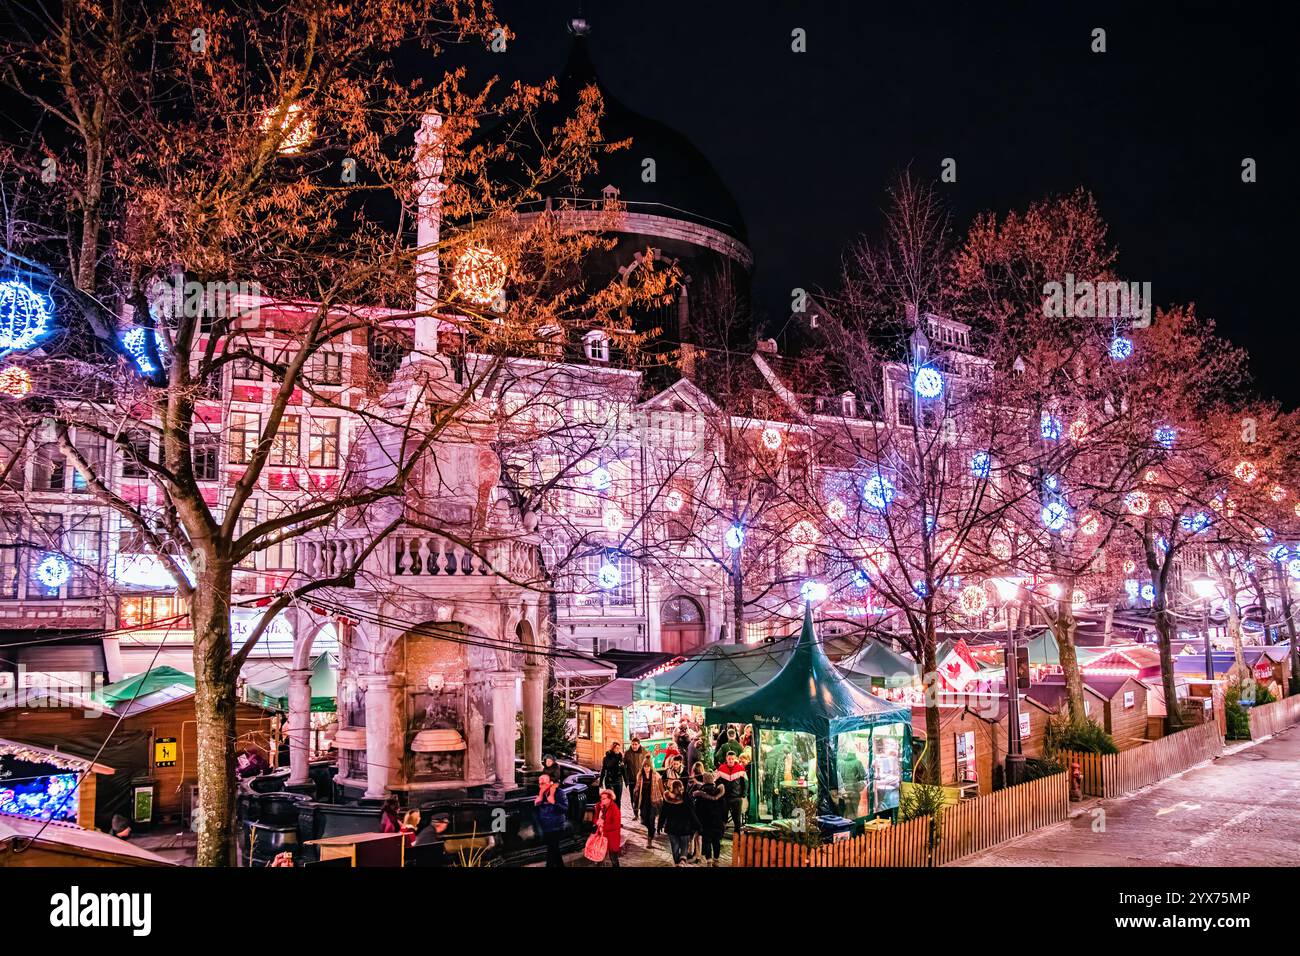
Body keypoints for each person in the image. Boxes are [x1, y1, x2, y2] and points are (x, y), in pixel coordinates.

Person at [659, 779, 699, 866]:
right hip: (684, 827)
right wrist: (698, 825)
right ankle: (682, 861)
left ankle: (677, 862)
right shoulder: (686, 798)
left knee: (675, 847)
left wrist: (660, 825)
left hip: (671, 827)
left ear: (671, 788)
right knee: (684, 845)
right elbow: (692, 812)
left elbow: (663, 813)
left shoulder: (668, 798)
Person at [691, 772, 727, 866]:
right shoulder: (719, 793)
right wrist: (724, 821)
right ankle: (716, 859)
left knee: (706, 841)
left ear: (704, 781)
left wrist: (697, 823)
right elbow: (724, 809)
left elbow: (696, 810)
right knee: (716, 841)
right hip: (717, 822)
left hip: (705, 822)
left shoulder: (700, 795)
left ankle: (709, 860)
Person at [535, 773, 570, 867]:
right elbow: (538, 811)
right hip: (546, 827)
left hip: (557, 827)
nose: (541, 786)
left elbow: (565, 808)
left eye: (544, 783)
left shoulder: (559, 793)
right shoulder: (540, 794)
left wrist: (554, 803)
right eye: (540, 784)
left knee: (551, 850)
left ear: (550, 783)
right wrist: (537, 804)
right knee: (555, 850)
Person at [632, 756, 663, 848]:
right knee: (644, 819)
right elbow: (637, 788)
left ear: (651, 766)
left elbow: (661, 788)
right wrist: (635, 796)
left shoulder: (656, 775)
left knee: (651, 818)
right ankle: (652, 829)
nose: (646, 768)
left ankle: (649, 838)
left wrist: (664, 797)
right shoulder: (640, 775)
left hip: (654, 801)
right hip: (644, 801)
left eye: (648, 766)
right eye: (645, 766)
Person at [716, 751, 748, 836]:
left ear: (735, 759)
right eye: (729, 759)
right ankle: (721, 834)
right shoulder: (721, 769)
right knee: (723, 817)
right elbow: (716, 782)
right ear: (726, 759)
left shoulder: (740, 768)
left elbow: (745, 782)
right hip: (724, 798)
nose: (731, 760)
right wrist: (719, 794)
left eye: (732, 759)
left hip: (736, 797)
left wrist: (743, 794)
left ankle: (737, 835)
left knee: (737, 818)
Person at [593, 787, 622, 867]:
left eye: (604, 798)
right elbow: (595, 818)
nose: (601, 800)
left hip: (611, 837)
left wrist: (603, 826)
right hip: (602, 836)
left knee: (613, 858)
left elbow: (616, 825)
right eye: (601, 798)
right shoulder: (599, 806)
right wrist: (597, 822)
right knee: (599, 857)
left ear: (610, 799)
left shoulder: (614, 809)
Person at [622, 737, 648, 807]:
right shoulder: (627, 753)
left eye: (636, 744)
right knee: (633, 797)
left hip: (641, 779)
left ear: (639, 744)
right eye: (633, 744)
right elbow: (623, 766)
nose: (634, 746)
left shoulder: (644, 752)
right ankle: (635, 814)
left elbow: (648, 764)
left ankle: (642, 813)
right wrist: (626, 779)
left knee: (642, 797)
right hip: (631, 779)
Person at [600, 740, 625, 806]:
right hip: (609, 781)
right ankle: (611, 814)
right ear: (613, 748)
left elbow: (623, 769)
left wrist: (626, 780)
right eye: (616, 748)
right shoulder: (606, 758)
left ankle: (617, 814)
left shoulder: (620, 757)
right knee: (611, 799)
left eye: (619, 748)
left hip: (618, 781)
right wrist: (600, 782)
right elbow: (603, 770)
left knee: (618, 800)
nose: (618, 750)